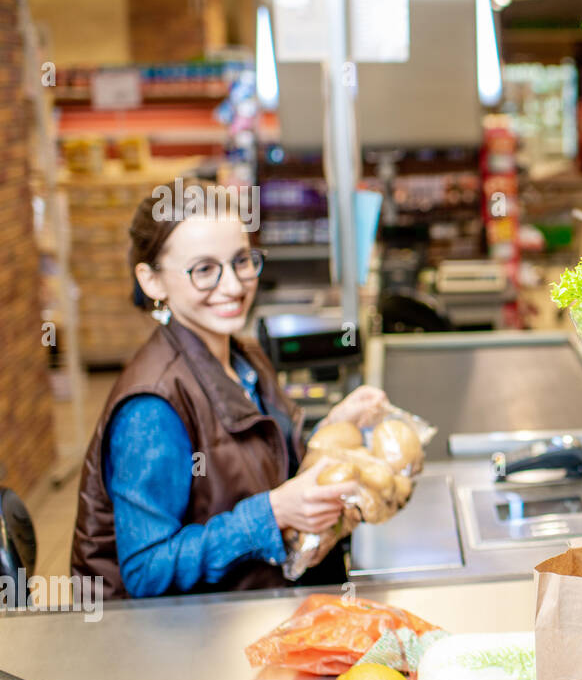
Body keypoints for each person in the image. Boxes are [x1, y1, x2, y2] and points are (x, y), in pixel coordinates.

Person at [71, 181, 387, 598]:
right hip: (187, 644)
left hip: (254, 611)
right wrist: (270, 514)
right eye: (204, 270)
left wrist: (333, 429)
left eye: (241, 261)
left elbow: (256, 470)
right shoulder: (152, 406)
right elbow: (146, 570)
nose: (234, 287)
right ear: (152, 281)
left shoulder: (243, 355)